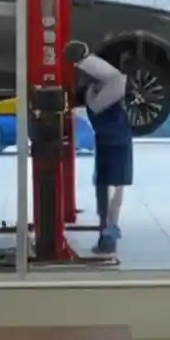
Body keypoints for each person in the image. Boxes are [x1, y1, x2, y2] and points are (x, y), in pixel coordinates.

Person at [64, 40, 132, 256]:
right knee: (115, 187)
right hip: (118, 141)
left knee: (107, 186)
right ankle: (108, 231)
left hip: (108, 140)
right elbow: (117, 81)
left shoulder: (99, 97)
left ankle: (108, 230)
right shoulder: (104, 96)